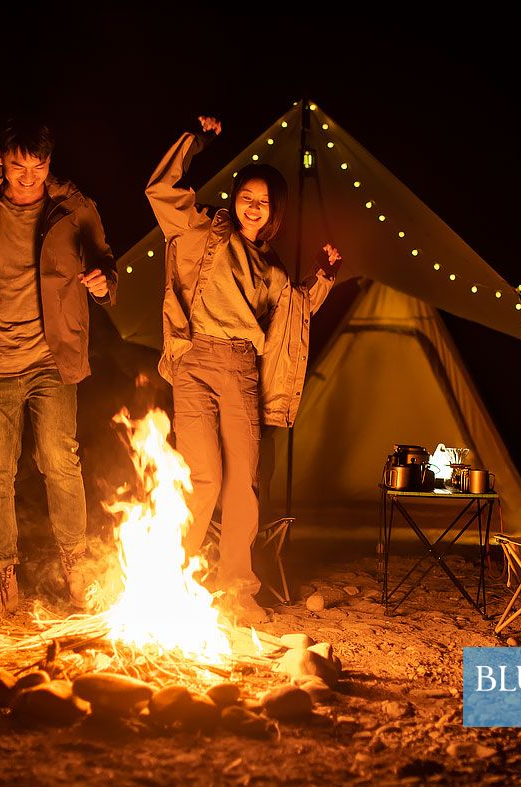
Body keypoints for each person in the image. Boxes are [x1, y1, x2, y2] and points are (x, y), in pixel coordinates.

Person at [145, 115, 341, 623]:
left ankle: (236, 590)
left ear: (274, 212)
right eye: (246, 196)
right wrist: (196, 141)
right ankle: (167, 578)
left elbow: (295, 313)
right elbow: (161, 189)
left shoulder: (271, 268)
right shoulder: (200, 230)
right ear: (234, 199)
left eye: (264, 201)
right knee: (204, 478)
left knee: (244, 484)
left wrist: (323, 277)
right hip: (194, 361)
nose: (253, 206)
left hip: (240, 369)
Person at [0, 116, 117, 619]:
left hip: (52, 358)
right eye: (18, 166)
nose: (29, 177)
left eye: (39, 166)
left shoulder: (73, 207)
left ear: (49, 162)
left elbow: (106, 263)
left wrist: (103, 283)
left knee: (60, 462)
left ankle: (77, 568)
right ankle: (1, 579)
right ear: (0, 158)